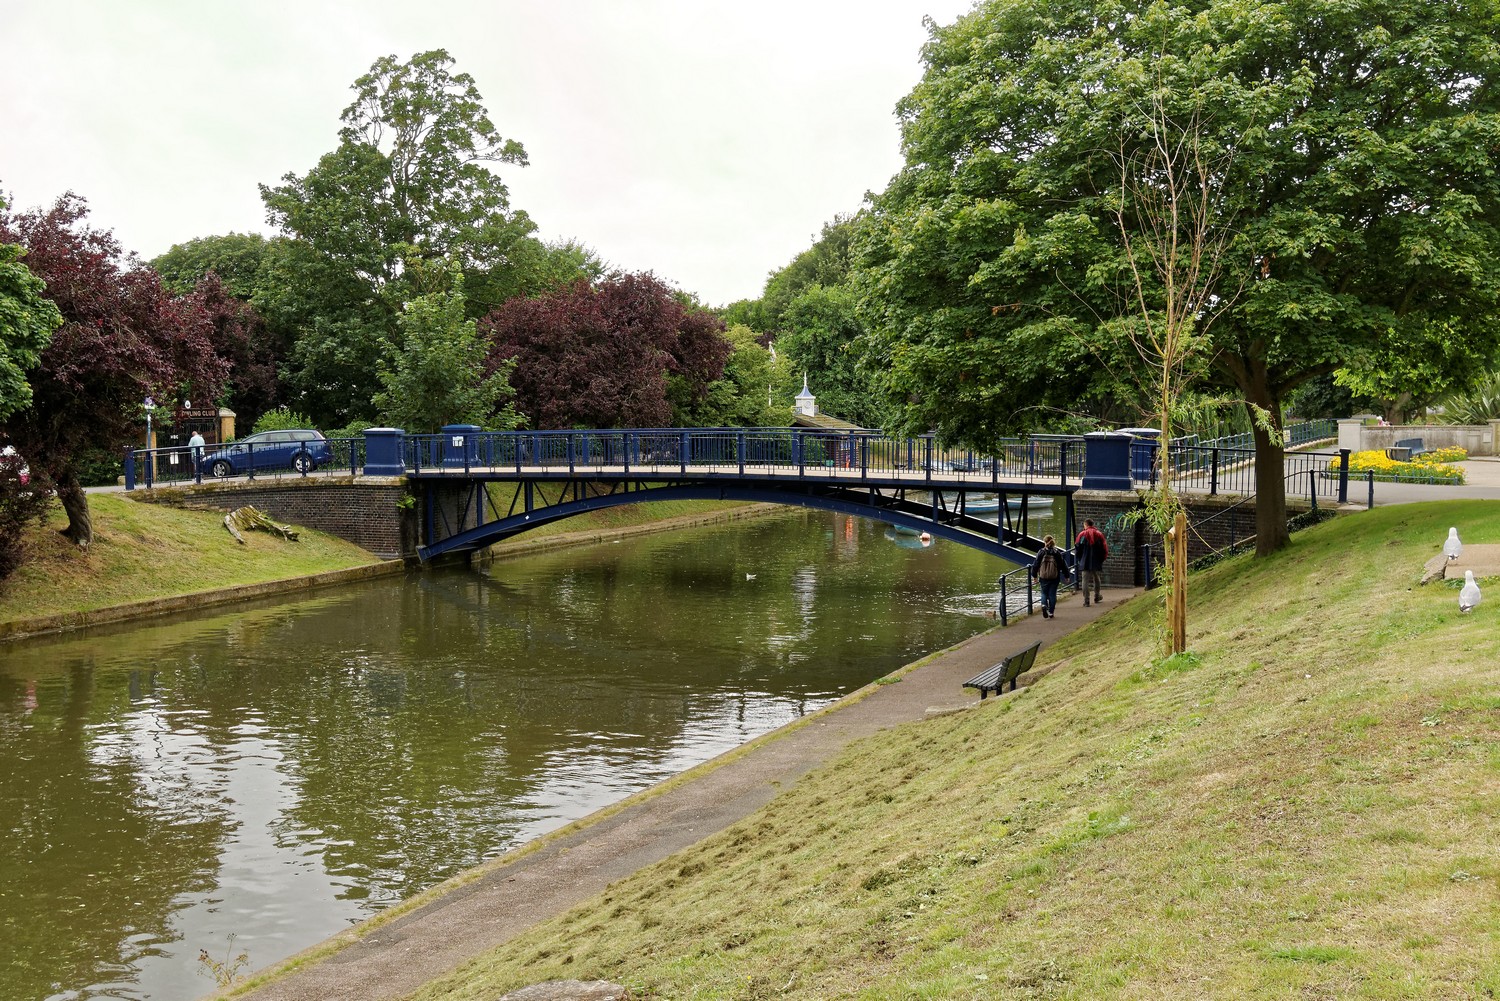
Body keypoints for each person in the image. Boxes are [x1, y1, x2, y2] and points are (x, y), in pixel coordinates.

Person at [1074, 518, 1109, 606]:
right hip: (1096, 560)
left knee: (1085, 580)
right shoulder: (1099, 534)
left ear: (1085, 525)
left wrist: (1080, 558)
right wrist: (1102, 559)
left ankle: (1086, 600)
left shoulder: (1082, 535)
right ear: (1093, 524)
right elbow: (1104, 548)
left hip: (1085, 560)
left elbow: (1078, 547)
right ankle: (1097, 596)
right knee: (1096, 578)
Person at [1030, 534, 1067, 619]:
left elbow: (1035, 564)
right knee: (1052, 594)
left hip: (1043, 577)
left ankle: (1043, 605)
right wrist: (1066, 575)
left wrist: (1034, 576)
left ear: (1045, 542)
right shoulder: (1056, 552)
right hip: (1054, 577)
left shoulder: (1041, 552)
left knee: (1044, 593)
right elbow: (1062, 564)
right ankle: (1051, 612)